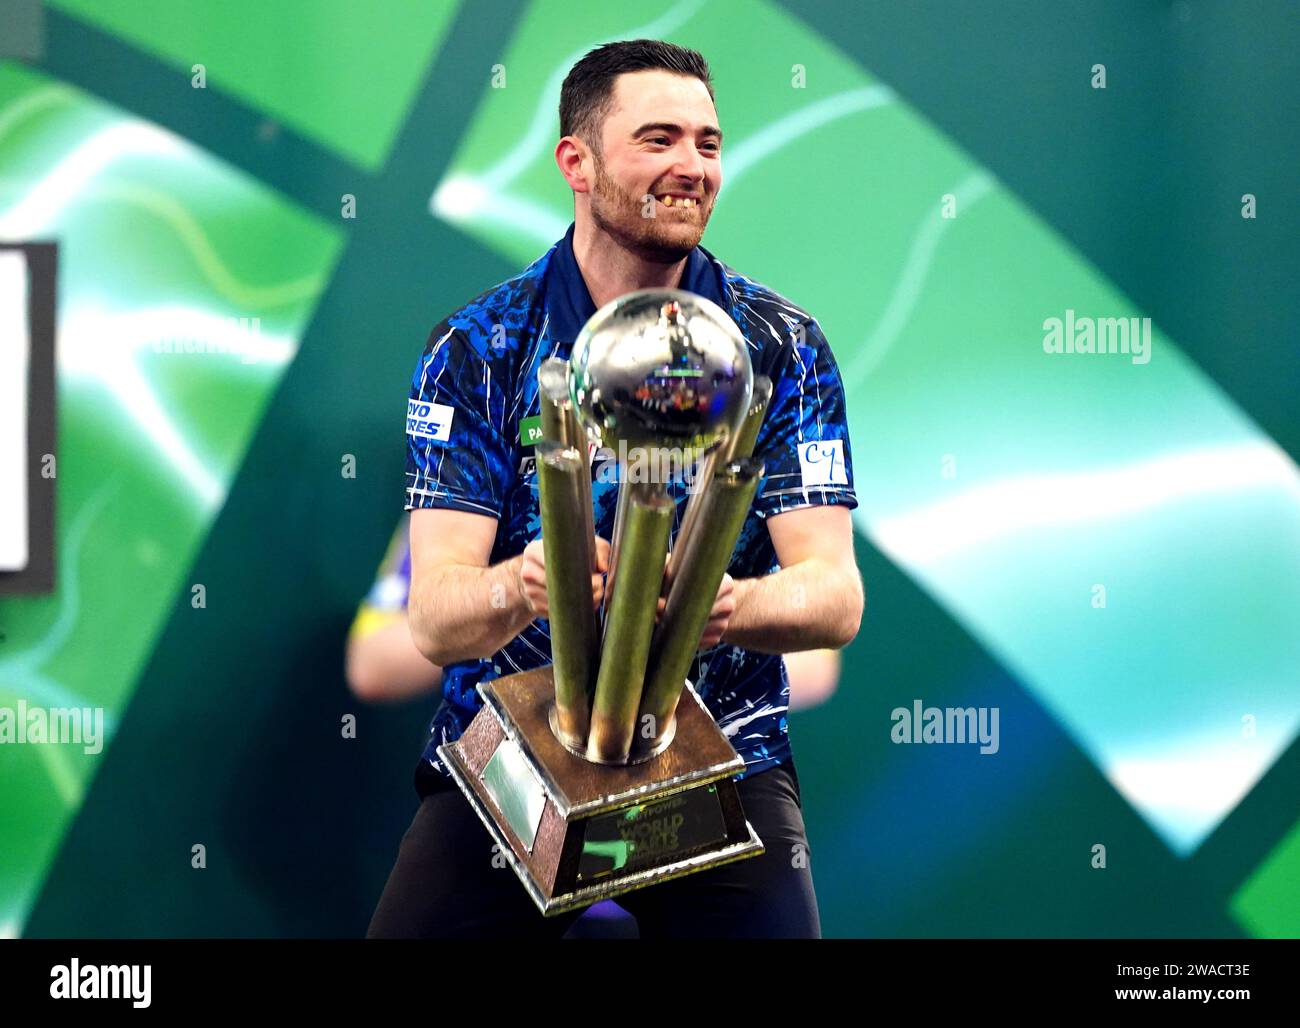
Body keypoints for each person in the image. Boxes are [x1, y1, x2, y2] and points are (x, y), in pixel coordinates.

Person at [367, 39, 863, 940]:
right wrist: (523, 584)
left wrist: (727, 603)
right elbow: (437, 620)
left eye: (708, 145)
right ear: (577, 162)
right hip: (515, 749)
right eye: (659, 140)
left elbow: (832, 598)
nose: (691, 168)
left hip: (721, 749)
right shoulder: (479, 348)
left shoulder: (782, 347)